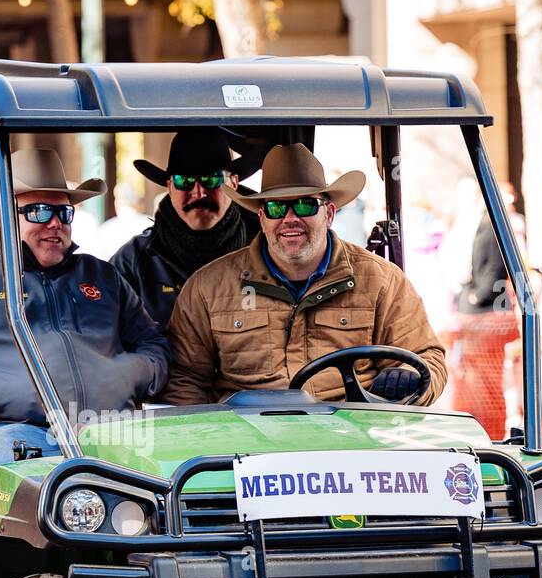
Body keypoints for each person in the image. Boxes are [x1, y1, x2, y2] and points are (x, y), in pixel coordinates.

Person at [0, 148, 170, 498]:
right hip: (17, 433)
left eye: (63, 211)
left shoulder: (102, 277)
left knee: (181, 465)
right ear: (3, 218)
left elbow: (153, 345)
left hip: (112, 430)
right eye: (38, 211)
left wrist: (126, 374)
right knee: (41, 480)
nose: (55, 223)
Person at [161, 143, 447, 405]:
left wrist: (407, 375)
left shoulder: (381, 281)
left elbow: (427, 358)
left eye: (304, 205)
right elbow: (185, 378)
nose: (290, 219)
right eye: (275, 208)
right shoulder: (208, 288)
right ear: (262, 218)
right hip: (245, 448)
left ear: (329, 213)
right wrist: (210, 441)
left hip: (353, 443)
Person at [110, 129, 261, 330]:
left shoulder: (268, 251)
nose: (198, 193)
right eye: (184, 181)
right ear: (170, 187)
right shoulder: (134, 262)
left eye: (212, 179)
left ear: (233, 183)